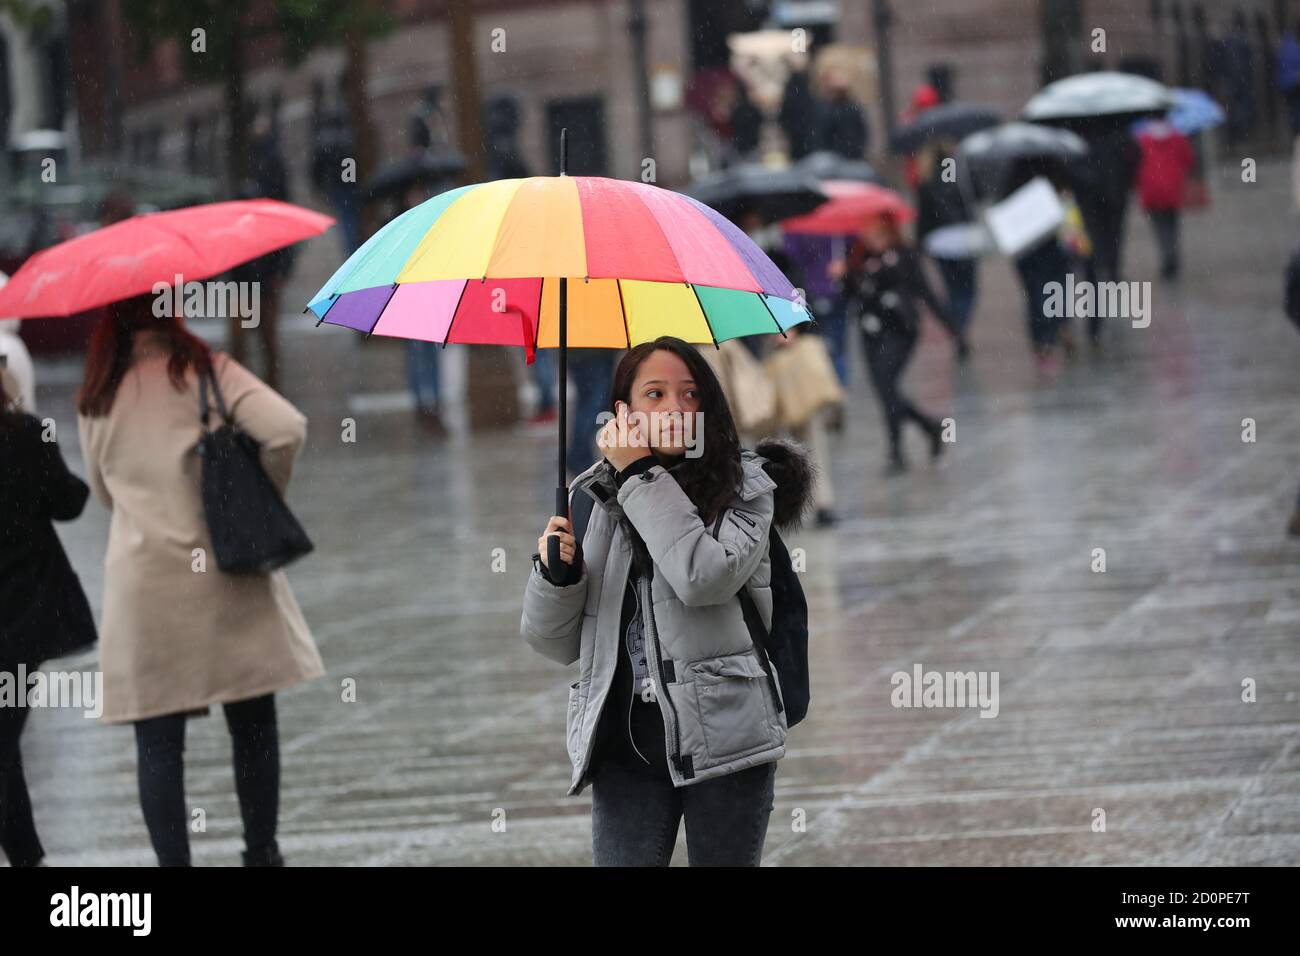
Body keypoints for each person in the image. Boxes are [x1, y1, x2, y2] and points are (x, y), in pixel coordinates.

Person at [521, 336, 813, 866]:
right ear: (622, 412)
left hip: (725, 741)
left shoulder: (744, 489)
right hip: (623, 745)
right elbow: (555, 642)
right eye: (654, 394)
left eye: (689, 393)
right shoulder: (594, 501)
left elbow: (702, 577)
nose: (675, 407)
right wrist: (553, 577)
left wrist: (638, 475)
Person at [76, 294, 325, 866]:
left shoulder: (98, 391)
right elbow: (287, 428)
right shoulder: (205, 369)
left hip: (143, 587)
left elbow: (101, 490)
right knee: (252, 717)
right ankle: (261, 853)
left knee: (158, 740)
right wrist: (258, 493)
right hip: (226, 571)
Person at [0, 368, 98, 867]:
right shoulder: (25, 434)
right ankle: (27, 856)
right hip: (25, 614)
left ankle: (26, 856)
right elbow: (69, 501)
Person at [836, 213, 952, 475]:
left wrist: (953, 329)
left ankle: (896, 449)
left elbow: (925, 292)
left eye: (879, 233)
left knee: (887, 386)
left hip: (900, 329)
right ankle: (930, 427)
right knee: (885, 391)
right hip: (870, 331)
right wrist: (844, 276)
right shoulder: (858, 258)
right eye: (868, 233)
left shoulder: (904, 255)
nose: (873, 239)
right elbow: (852, 294)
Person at [231, 111, 294, 392]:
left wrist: (280, 270)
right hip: (248, 270)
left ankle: (265, 392)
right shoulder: (248, 162)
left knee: (263, 339)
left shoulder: (271, 165)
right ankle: (251, 394)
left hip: (262, 269)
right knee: (249, 340)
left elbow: (284, 223)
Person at [916, 138, 978, 360]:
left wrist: (919, 243)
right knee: (968, 289)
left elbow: (923, 216)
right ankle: (960, 327)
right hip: (962, 237)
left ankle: (956, 327)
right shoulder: (958, 171)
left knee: (953, 289)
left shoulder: (925, 177)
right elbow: (971, 199)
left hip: (939, 241)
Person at [1135, 119, 1195, 279]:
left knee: (1159, 227)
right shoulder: (1177, 137)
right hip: (1172, 189)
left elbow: (1134, 163)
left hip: (1151, 189)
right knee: (1172, 225)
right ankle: (1172, 255)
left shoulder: (1143, 139)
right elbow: (1188, 160)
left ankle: (1166, 256)